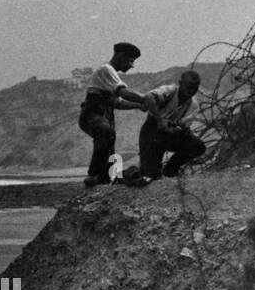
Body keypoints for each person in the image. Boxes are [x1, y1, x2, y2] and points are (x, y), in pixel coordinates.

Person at [79, 43, 149, 187]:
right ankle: (93, 175)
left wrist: (138, 105)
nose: (132, 65)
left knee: (109, 145)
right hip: (92, 114)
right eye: (131, 60)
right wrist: (146, 99)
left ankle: (103, 179)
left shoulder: (110, 75)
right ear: (121, 56)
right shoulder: (106, 69)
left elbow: (118, 103)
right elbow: (123, 92)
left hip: (104, 116)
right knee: (106, 133)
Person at [134, 69, 207, 186]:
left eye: (194, 88)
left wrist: (175, 128)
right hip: (152, 132)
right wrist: (159, 119)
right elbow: (148, 97)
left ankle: (171, 169)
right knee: (149, 177)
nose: (191, 91)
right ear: (180, 83)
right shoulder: (170, 91)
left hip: (170, 134)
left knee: (198, 146)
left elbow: (184, 126)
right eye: (188, 87)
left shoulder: (193, 105)